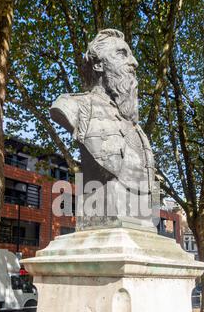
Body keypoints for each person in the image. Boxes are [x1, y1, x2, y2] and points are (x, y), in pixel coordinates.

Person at [50, 29, 156, 228]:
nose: (134, 62)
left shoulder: (137, 129)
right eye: (122, 54)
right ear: (99, 65)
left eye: (131, 55)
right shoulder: (74, 106)